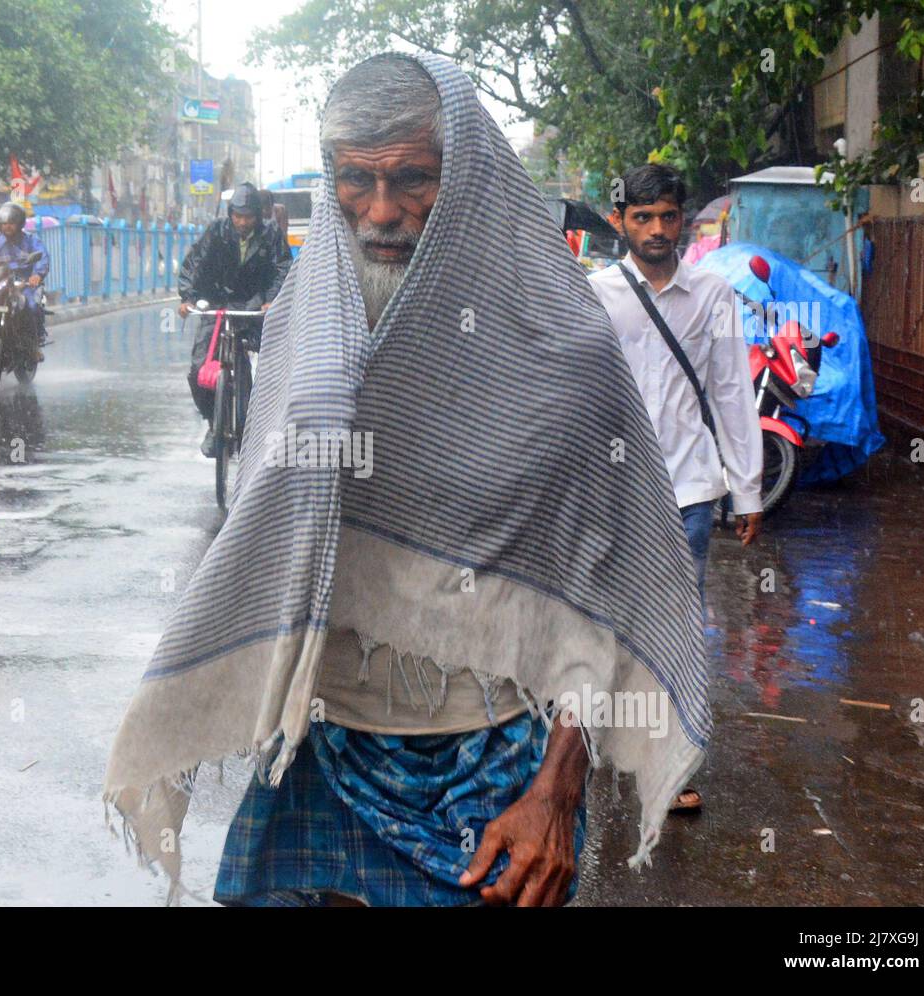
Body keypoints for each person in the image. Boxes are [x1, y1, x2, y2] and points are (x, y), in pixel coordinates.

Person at [105, 53, 712, 907]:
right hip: (324, 744)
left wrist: (557, 790)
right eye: (354, 180)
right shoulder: (304, 324)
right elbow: (266, 532)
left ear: (464, 175)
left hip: (496, 767)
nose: (380, 213)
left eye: (412, 180)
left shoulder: (565, 352)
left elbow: (609, 592)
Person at [589, 163, 763, 815]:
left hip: (688, 491)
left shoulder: (712, 296)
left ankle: (671, 761)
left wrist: (746, 490)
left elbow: (730, 393)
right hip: (612, 492)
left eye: (667, 216)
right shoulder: (597, 295)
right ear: (621, 223)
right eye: (643, 217)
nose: (657, 229)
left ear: (682, 221)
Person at [177, 182, 292, 457]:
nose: (242, 222)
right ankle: (212, 423)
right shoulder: (216, 231)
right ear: (231, 214)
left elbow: (283, 267)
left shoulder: (271, 234)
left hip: (253, 308)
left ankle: (259, 425)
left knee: (274, 367)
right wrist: (188, 297)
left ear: (257, 216)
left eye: (248, 216)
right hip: (216, 306)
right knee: (197, 371)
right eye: (237, 216)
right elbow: (194, 263)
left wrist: (272, 299)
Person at [0, 202, 50, 352]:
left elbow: (43, 257)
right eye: (4, 224)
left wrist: (37, 274)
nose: (7, 227)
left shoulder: (31, 240)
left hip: (25, 283)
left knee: (31, 306)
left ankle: (35, 344)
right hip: (1, 282)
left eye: (11, 223)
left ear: (20, 224)